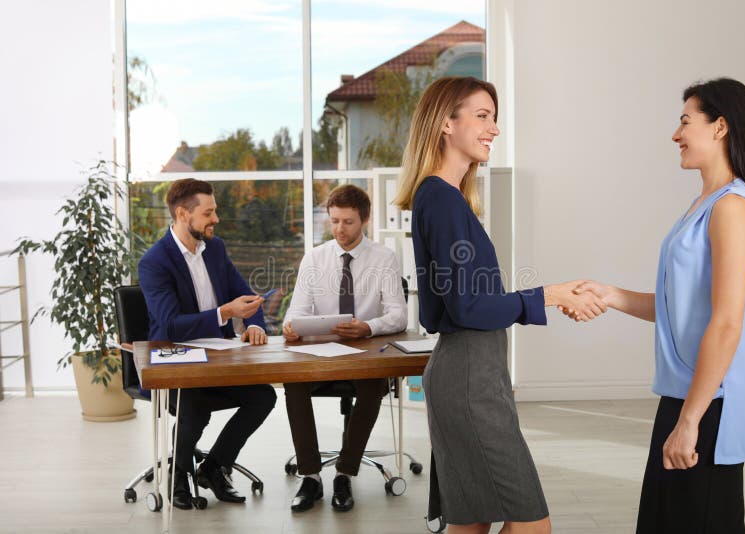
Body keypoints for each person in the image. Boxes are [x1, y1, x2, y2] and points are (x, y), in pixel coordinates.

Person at [394, 76, 607, 534]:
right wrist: (548, 295)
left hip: (469, 376)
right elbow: (468, 309)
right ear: (446, 123)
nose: (494, 128)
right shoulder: (443, 200)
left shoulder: (442, 198)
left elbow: (438, 311)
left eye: (495, 118)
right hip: (470, 383)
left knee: (471, 525)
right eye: (482, 116)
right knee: (531, 525)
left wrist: (544, 296)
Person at [566, 78, 745, 533]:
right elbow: (682, 307)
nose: (676, 134)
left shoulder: (733, 207)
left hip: (710, 403)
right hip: (686, 396)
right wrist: (610, 295)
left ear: (720, 127)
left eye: (685, 121)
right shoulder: (705, 205)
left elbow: (727, 322)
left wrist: (690, 420)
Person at [138, 178, 277, 510]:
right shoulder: (155, 262)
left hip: (217, 361)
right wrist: (224, 313)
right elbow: (170, 325)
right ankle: (177, 476)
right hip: (174, 366)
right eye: (208, 212)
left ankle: (215, 468)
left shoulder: (215, 248)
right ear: (183, 214)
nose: (216, 219)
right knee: (194, 405)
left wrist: (253, 325)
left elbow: (246, 296)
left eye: (215, 211)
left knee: (263, 397)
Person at [282, 184, 407, 512]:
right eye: (334, 220)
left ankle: (344, 473)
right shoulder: (315, 258)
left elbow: (399, 315)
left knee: (374, 385)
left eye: (348, 222)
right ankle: (310, 476)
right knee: (293, 382)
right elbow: (296, 312)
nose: (339, 229)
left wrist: (368, 327)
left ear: (364, 219)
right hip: (321, 355)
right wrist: (291, 326)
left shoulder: (384, 258)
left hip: (364, 356)